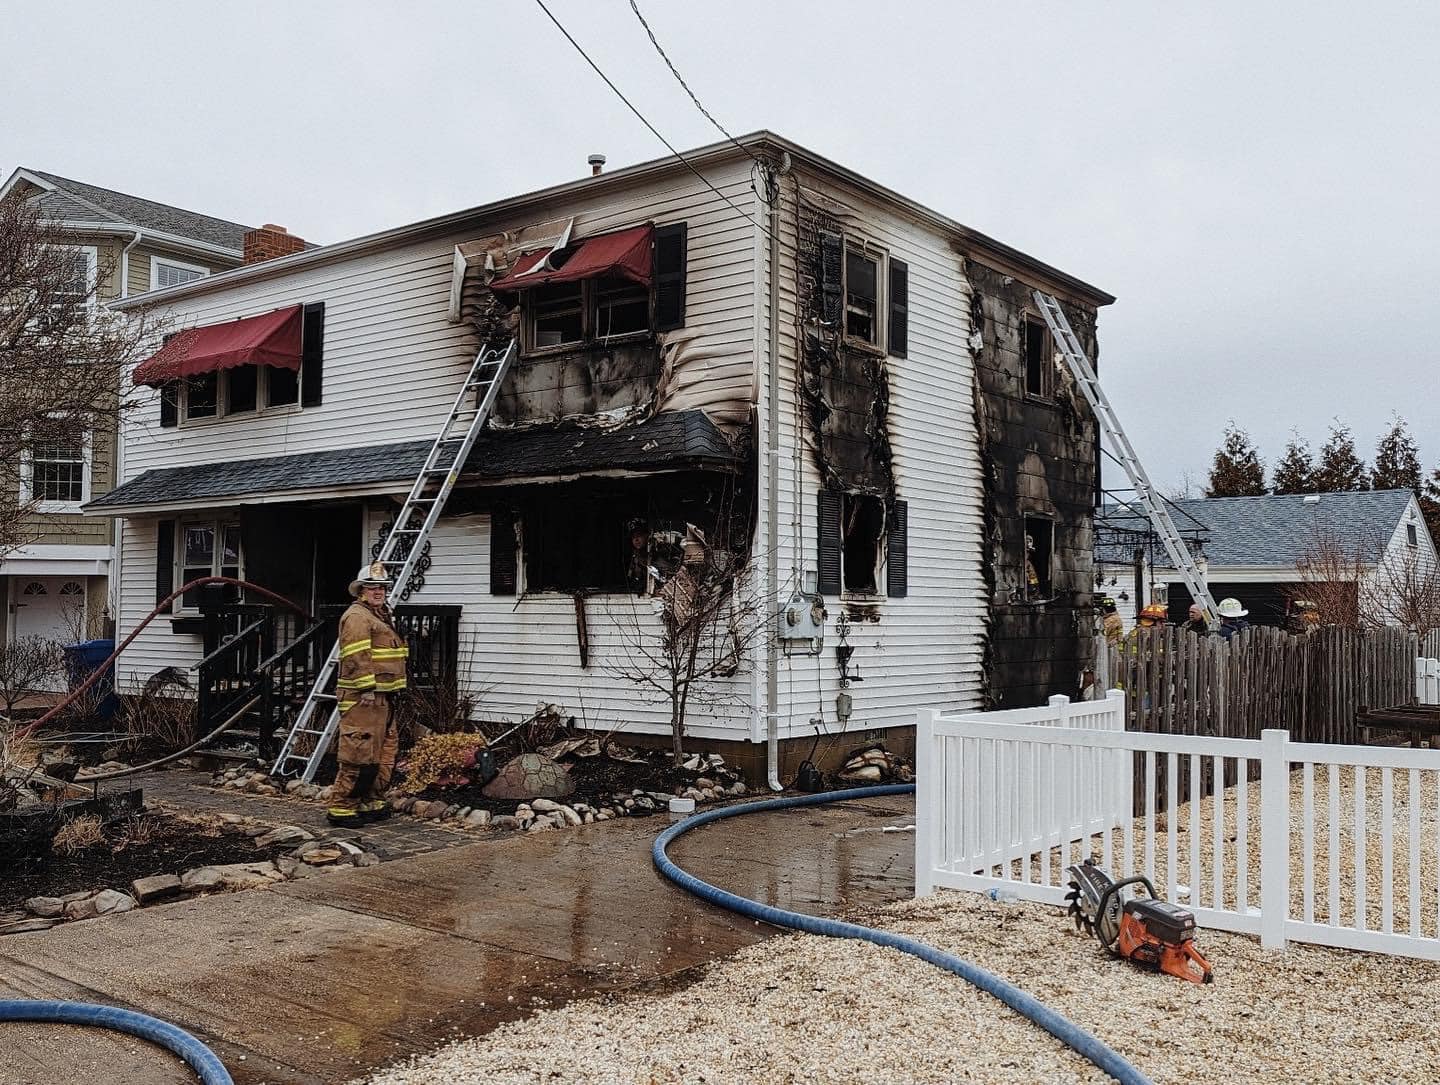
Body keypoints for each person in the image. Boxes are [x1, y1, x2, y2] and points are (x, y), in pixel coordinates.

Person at [328, 561, 409, 826]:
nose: (378, 591)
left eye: (382, 586)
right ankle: (342, 808)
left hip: (383, 697)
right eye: (372, 586)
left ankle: (370, 800)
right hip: (364, 698)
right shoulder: (357, 617)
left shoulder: (379, 614)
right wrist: (366, 688)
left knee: (383, 752)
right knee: (359, 752)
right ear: (360, 590)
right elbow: (355, 655)